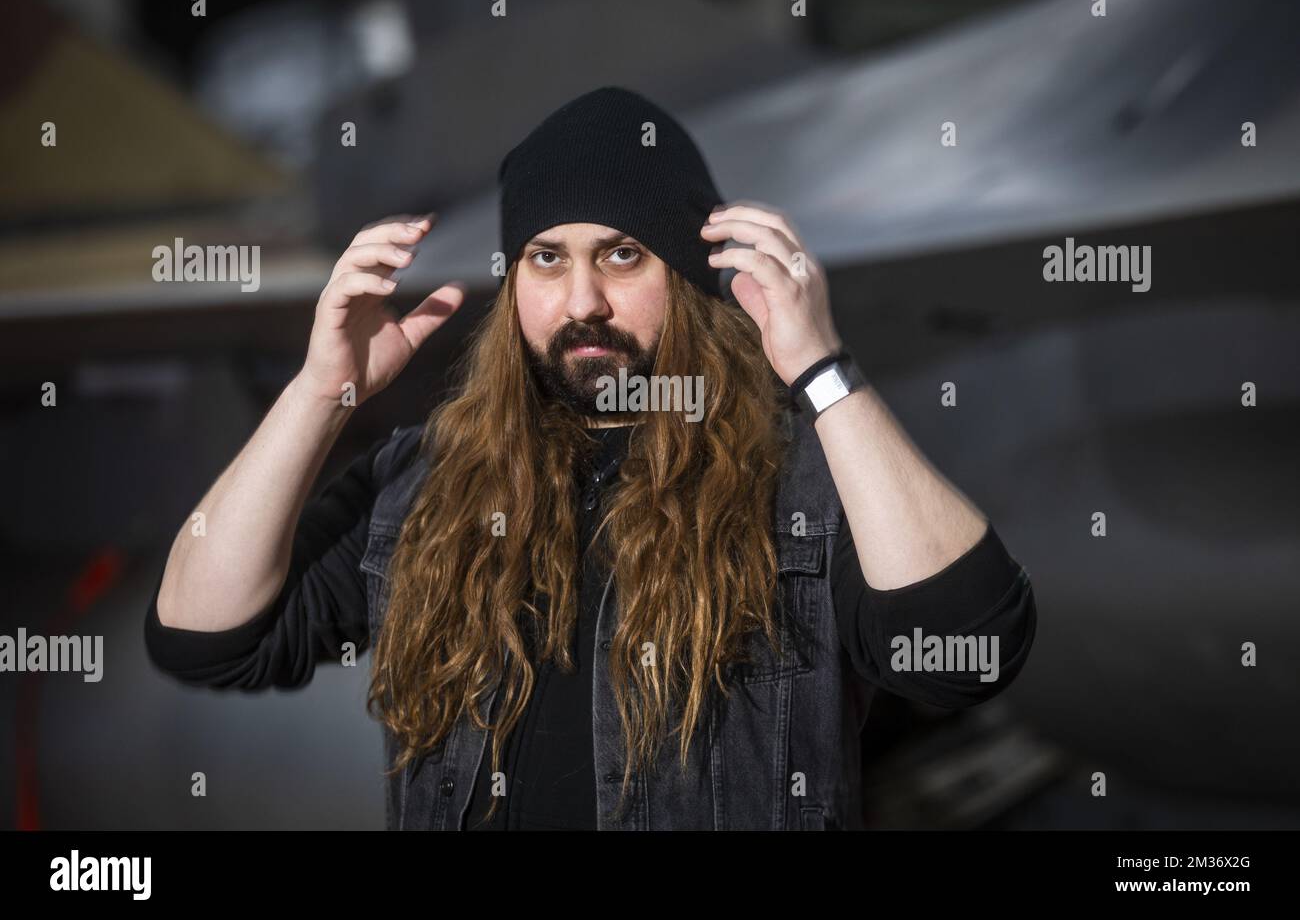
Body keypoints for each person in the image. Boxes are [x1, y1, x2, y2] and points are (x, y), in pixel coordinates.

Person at [145, 86, 1036, 830]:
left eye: (621, 254)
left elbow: (967, 655)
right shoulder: (424, 485)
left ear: (690, 277)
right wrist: (319, 392)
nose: (583, 301)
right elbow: (202, 638)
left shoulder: (801, 479)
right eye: (546, 258)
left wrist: (821, 370)